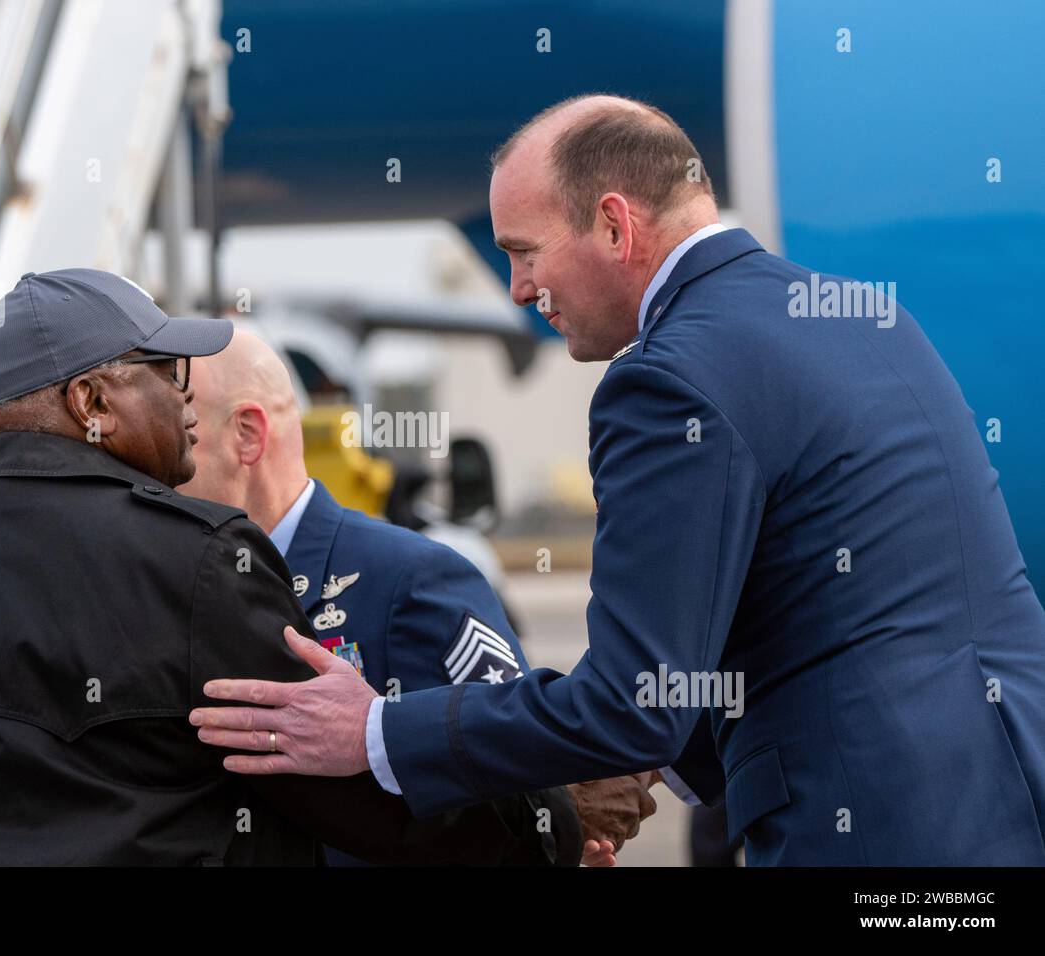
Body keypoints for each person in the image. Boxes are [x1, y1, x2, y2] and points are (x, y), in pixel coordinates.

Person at [189, 96, 1045, 865]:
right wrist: (631, 764)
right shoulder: (866, 316)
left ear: (612, 225)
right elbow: (812, 614)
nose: (521, 290)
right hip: (1009, 788)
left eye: (524, 254)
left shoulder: (667, 378)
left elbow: (634, 703)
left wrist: (373, 730)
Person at [0, 268, 582, 866]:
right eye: (166, 374)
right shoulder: (200, 557)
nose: (184, 403)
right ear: (91, 401)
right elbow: (354, 801)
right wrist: (549, 823)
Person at [181, 328, 655, 866]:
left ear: (248, 434)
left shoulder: (411, 580)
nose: (159, 460)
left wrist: (563, 825)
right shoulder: (190, 584)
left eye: (183, 430)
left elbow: (521, 787)